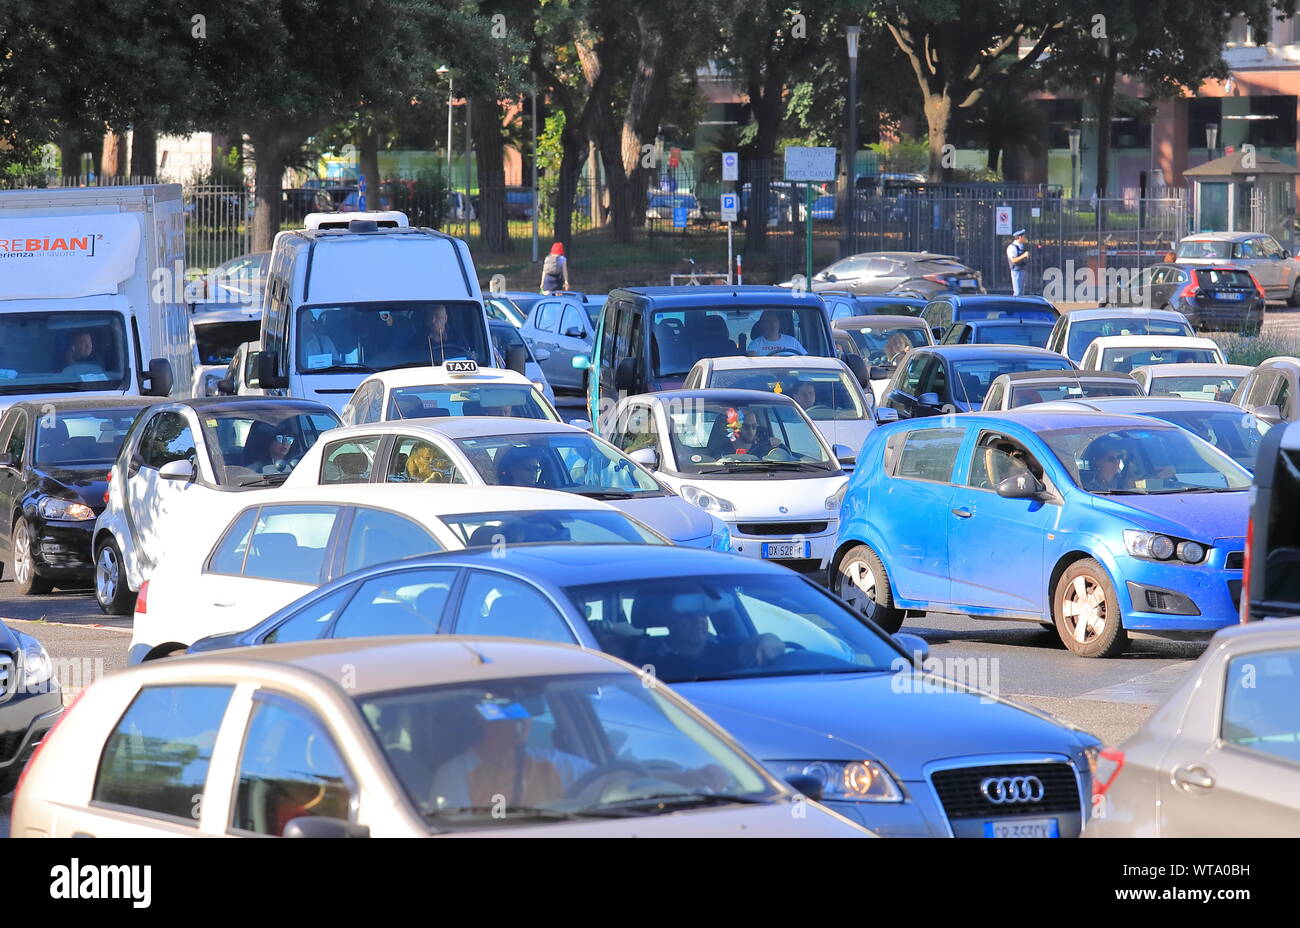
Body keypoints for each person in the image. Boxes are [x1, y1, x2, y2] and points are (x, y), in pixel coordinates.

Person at [632, 596, 785, 682]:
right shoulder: (650, 665)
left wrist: (768, 640)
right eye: (688, 615)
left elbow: (757, 644)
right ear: (670, 621)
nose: (698, 620)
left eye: (703, 614)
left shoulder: (727, 647)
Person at [1007, 229, 1030, 296]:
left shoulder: (1021, 246)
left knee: (1022, 291)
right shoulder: (1012, 247)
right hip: (1016, 271)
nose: (1025, 238)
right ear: (1020, 237)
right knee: (1017, 292)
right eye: (1024, 236)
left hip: (1022, 269)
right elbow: (1013, 260)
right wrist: (1024, 255)